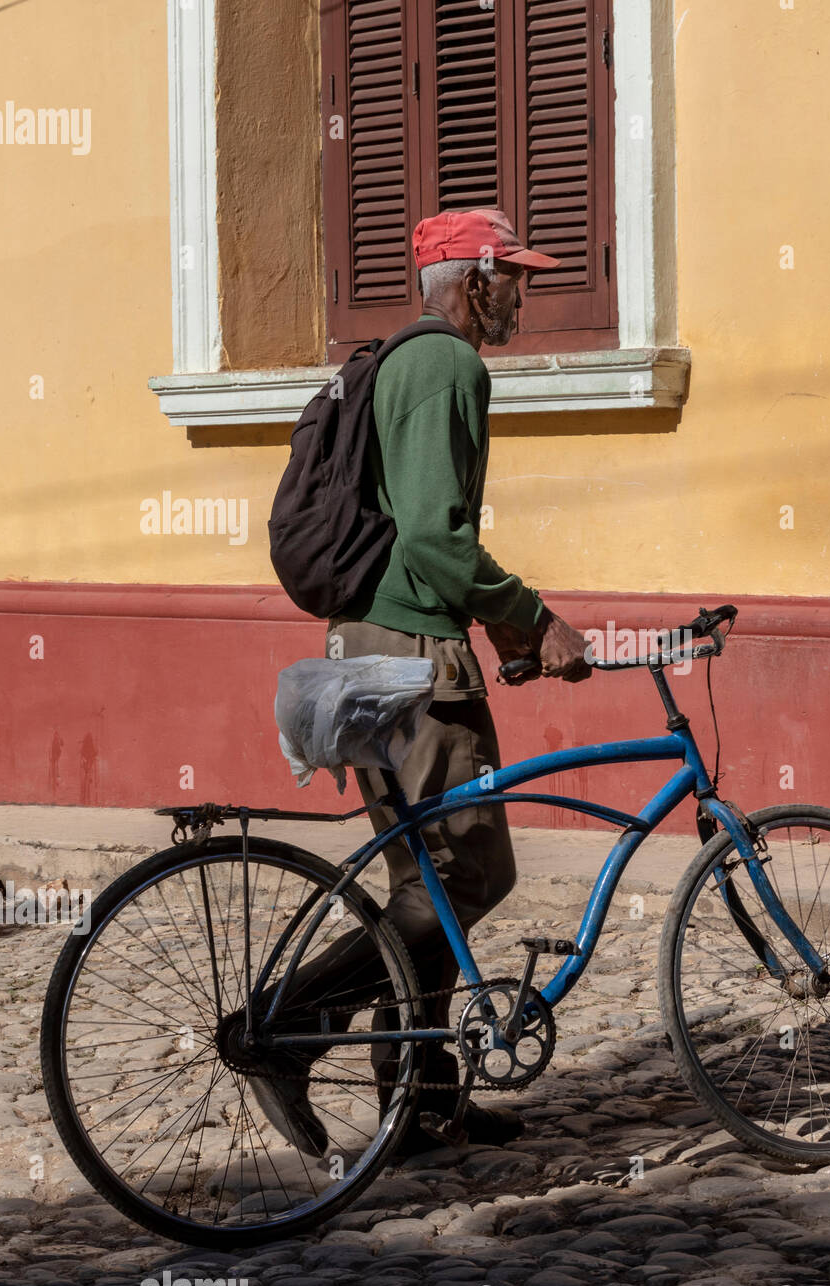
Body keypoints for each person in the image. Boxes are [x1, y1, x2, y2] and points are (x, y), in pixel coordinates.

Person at [252, 209, 592, 1158]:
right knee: (468, 872)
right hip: (415, 656)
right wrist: (532, 618)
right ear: (474, 278)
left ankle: (422, 1098)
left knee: (427, 882)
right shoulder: (446, 363)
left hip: (375, 644)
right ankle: (298, 1024)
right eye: (514, 276)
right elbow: (439, 544)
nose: (525, 292)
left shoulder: (401, 359)